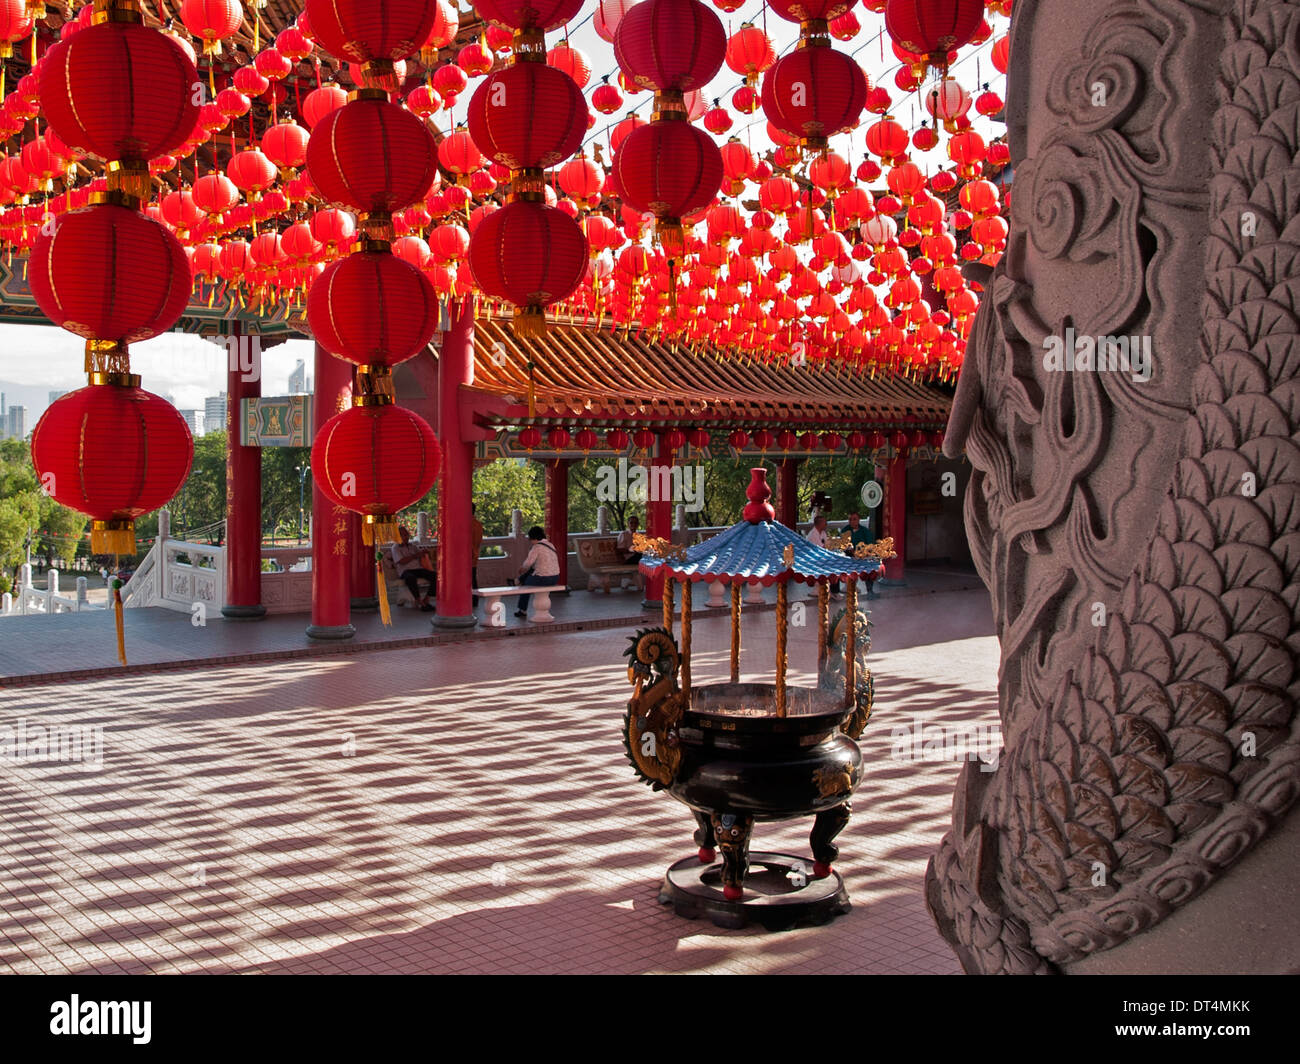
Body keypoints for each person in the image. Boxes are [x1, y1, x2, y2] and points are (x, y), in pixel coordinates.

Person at [515, 525, 560, 618]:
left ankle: (522, 610)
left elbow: (528, 564)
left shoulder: (536, 547)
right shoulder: (551, 545)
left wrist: (521, 569)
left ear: (533, 537)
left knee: (525, 587)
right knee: (533, 571)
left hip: (543, 578)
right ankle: (519, 580)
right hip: (555, 577)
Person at [391, 525, 436, 611]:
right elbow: (402, 561)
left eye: (406, 535)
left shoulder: (413, 546)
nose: (406, 537)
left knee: (435, 576)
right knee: (410, 578)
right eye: (403, 535)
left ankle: (427, 599)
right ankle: (419, 601)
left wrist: (424, 552)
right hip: (405, 571)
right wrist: (416, 555)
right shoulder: (395, 547)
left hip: (418, 569)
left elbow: (420, 555)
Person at [806, 512, 842, 597]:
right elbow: (820, 549)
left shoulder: (822, 533)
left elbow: (827, 545)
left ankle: (834, 591)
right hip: (813, 558)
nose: (826, 524)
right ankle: (832, 590)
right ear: (819, 524)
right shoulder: (812, 534)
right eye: (824, 522)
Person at [846, 510, 877, 599]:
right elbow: (843, 545)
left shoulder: (865, 531)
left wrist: (863, 553)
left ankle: (870, 590)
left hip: (863, 556)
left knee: (870, 567)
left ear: (859, 520)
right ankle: (851, 589)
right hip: (850, 556)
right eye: (850, 519)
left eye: (854, 519)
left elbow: (870, 545)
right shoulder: (846, 530)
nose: (852, 521)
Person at [470, 504, 484, 608]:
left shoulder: (466, 524)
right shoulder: (478, 524)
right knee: (473, 578)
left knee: (468, 579)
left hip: (466, 555)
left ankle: (470, 599)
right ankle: (474, 600)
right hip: (474, 554)